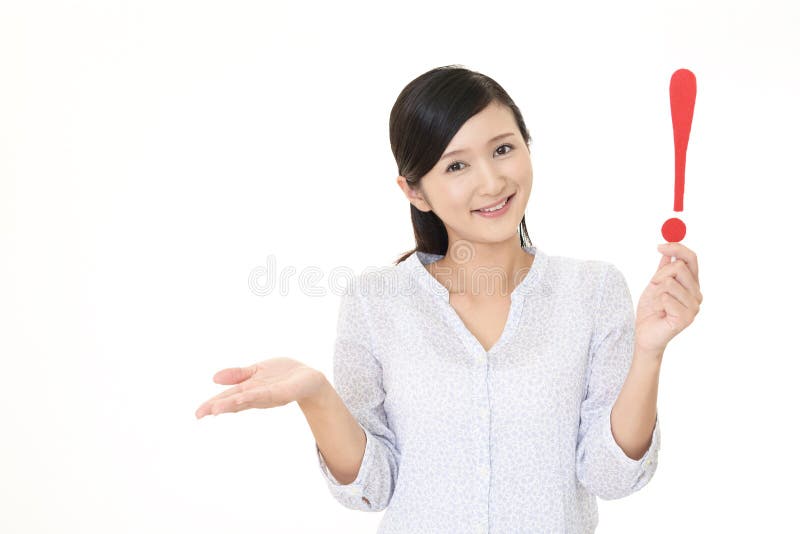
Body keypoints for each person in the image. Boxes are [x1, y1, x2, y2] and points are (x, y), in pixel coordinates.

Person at [195, 65, 703, 533]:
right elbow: (372, 490)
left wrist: (649, 352)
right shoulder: (375, 302)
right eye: (456, 166)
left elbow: (610, 477)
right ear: (415, 191)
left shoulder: (592, 291)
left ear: (528, 147)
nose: (491, 180)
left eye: (503, 149)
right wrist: (315, 394)